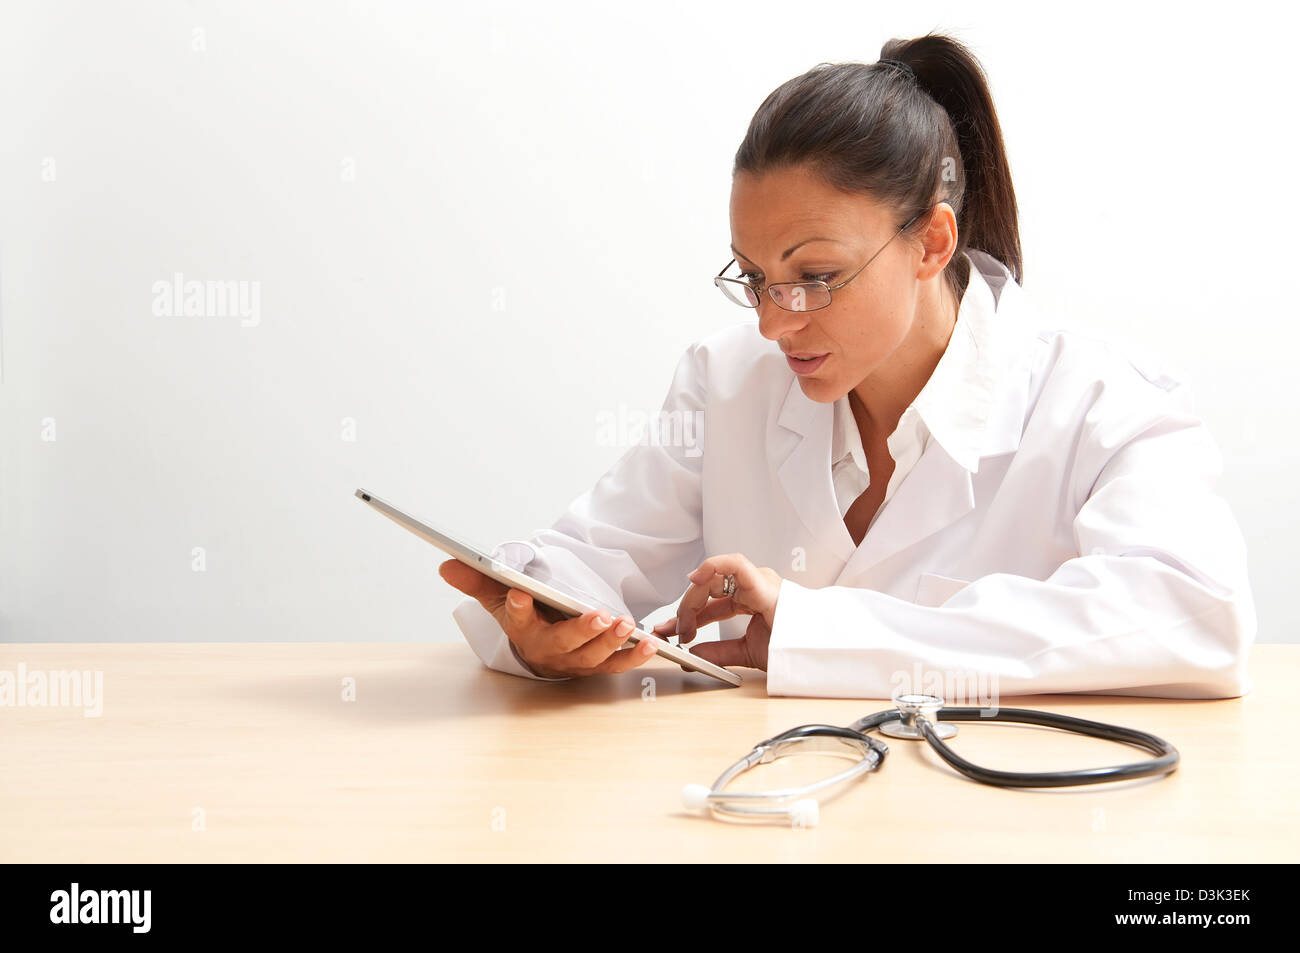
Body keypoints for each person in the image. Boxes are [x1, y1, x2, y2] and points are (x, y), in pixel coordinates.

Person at [439, 33, 1256, 699]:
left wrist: (814, 631)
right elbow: (587, 555)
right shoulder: (727, 383)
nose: (770, 321)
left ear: (932, 242)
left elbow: (1196, 615)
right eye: (754, 277)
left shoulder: (1101, 402)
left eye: (814, 278)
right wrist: (542, 626)